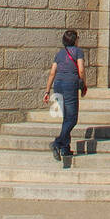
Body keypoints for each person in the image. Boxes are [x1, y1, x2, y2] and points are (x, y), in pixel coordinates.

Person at [44, 30, 86, 163]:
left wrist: (47, 91)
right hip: (70, 85)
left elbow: (52, 72)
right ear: (75, 40)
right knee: (72, 119)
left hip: (58, 85)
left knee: (66, 118)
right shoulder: (78, 52)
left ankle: (65, 148)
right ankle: (57, 143)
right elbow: (81, 69)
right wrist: (83, 85)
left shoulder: (59, 54)